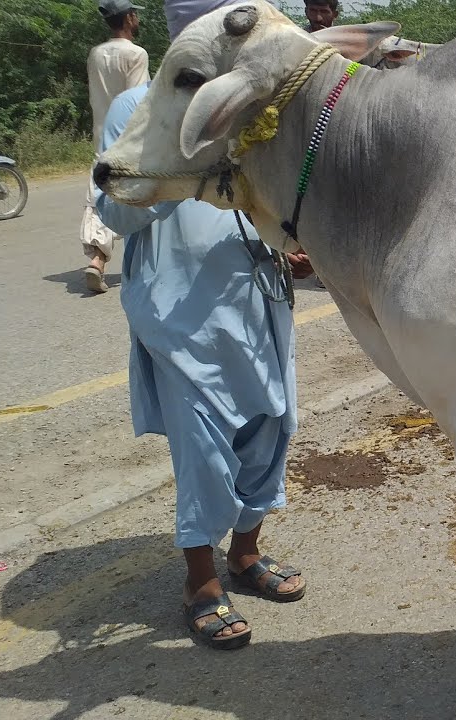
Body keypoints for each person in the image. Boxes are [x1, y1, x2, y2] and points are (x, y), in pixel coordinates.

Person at [95, 0, 316, 651]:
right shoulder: (136, 104)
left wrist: (288, 243)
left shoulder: (252, 107)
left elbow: (265, 196)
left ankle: (245, 556)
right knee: (204, 453)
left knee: (271, 434)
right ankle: (201, 583)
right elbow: (115, 209)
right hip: (181, 311)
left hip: (256, 295)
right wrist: (174, 171)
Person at [81, 0, 149, 294]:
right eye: (136, 16)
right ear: (130, 18)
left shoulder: (95, 54)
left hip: (101, 134)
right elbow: (139, 100)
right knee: (137, 194)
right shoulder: (136, 53)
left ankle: (97, 258)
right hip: (128, 135)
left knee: (100, 193)